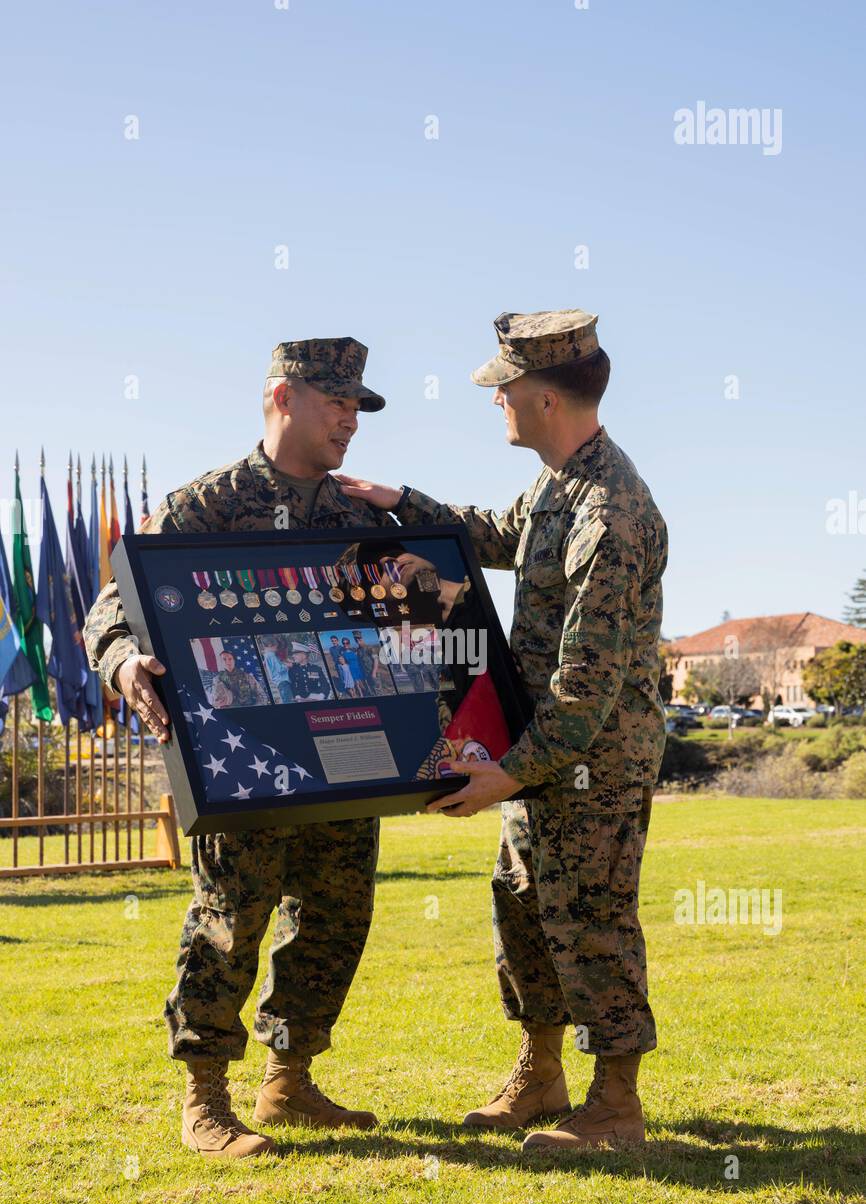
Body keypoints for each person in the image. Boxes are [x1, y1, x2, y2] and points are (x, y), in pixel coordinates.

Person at [340, 309, 668, 1154]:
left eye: (506, 390)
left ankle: (616, 1106)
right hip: (542, 758)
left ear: (547, 400)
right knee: (524, 910)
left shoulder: (612, 513)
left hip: (588, 762)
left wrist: (505, 775)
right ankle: (542, 1072)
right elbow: (497, 532)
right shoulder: (561, 487)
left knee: (590, 918)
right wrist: (399, 503)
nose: (498, 403)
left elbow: (586, 690)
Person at [84, 337, 394, 1160]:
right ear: (282, 396)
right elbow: (108, 607)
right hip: (241, 754)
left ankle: (290, 1080)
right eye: (335, 403)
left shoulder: (362, 517)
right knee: (230, 918)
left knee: (336, 915)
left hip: (347, 753)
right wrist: (122, 661)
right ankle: (207, 1100)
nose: (349, 422)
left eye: (358, 407)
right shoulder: (203, 507)